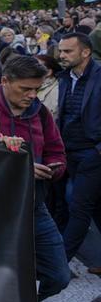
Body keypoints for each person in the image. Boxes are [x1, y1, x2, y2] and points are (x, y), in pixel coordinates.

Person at [0, 55, 71, 300]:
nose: (32, 95)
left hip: (33, 206)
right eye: (25, 89)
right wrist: (22, 167)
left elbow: (56, 149)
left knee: (58, 276)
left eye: (37, 89)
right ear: (5, 81)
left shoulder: (40, 112)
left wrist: (55, 168)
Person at [53, 32, 101, 261]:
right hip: (67, 151)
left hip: (92, 152)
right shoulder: (64, 77)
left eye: (67, 51)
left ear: (85, 52)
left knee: (79, 206)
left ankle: (60, 262)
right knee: (95, 206)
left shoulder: (99, 76)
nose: (61, 55)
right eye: (60, 50)